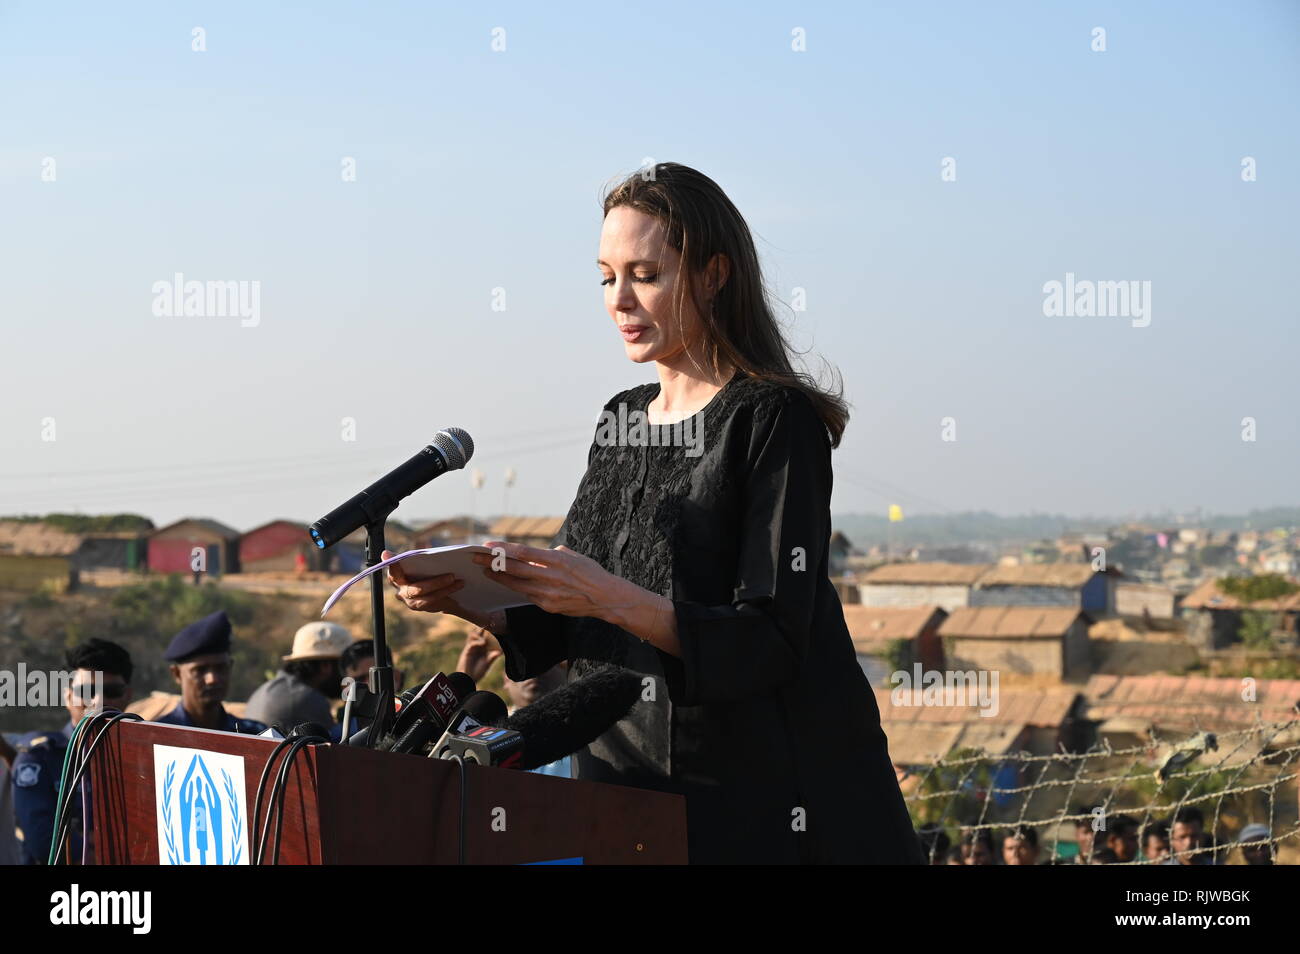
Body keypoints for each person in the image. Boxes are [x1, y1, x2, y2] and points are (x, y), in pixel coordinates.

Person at [387, 162, 923, 865]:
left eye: (645, 274)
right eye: (607, 277)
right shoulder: (621, 419)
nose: (620, 300)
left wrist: (613, 599)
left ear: (712, 275)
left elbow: (772, 637)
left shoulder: (772, 419)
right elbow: (575, 621)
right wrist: (475, 602)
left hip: (771, 799)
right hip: (627, 792)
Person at [12, 639, 134, 864]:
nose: (99, 702)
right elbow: (45, 844)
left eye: (112, 691)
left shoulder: (140, 763)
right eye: (88, 691)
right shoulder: (39, 757)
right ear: (68, 697)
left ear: (128, 695)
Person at [154, 611, 267, 734]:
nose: (212, 679)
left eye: (221, 668)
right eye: (200, 670)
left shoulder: (255, 736)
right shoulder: (158, 737)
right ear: (176, 674)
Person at [245, 622, 351, 732]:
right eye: (345, 666)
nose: (348, 674)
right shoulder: (309, 700)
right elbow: (340, 746)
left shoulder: (262, 691)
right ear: (326, 666)